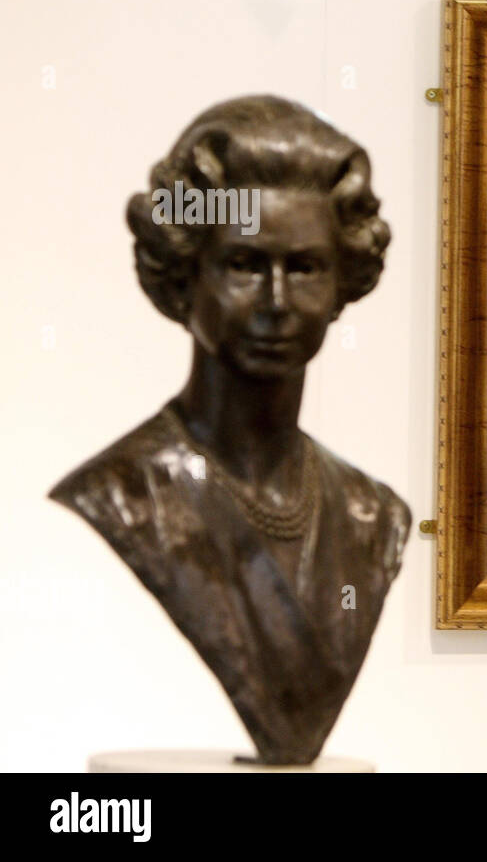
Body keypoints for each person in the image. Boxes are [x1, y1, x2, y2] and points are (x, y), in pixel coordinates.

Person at [49, 95, 410, 765]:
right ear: (185, 275)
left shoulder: (374, 515)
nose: (276, 302)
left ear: (342, 286)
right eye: (245, 265)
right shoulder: (125, 492)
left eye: (303, 267)